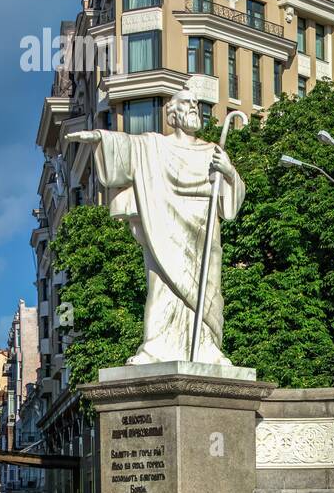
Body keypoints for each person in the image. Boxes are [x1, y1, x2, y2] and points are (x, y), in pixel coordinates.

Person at [66, 88, 244, 364]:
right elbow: (126, 146)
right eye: (187, 103)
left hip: (204, 228)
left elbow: (230, 204)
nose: (194, 107)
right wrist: (98, 137)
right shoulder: (155, 146)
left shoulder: (213, 152)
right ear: (172, 114)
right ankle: (156, 349)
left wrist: (229, 171)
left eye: (196, 103)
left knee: (207, 290)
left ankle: (207, 348)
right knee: (161, 288)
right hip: (162, 223)